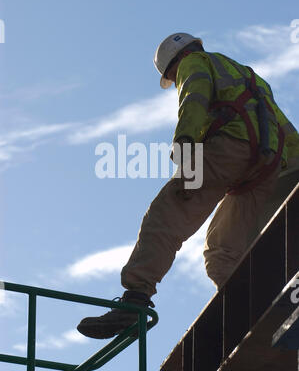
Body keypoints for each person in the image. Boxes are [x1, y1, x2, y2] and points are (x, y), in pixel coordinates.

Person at [77, 32, 299, 339]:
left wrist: (185, 151)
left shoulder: (193, 63)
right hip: (267, 165)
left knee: (164, 217)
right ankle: (257, 313)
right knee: (221, 251)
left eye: (171, 76)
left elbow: (193, 100)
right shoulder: (248, 76)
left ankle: (135, 301)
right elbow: (284, 127)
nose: (174, 80)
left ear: (173, 65)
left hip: (228, 150)